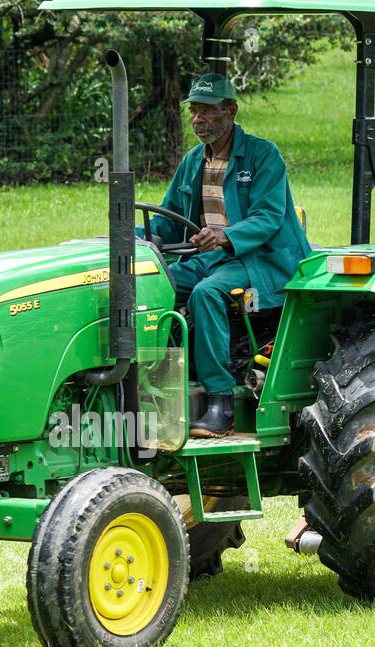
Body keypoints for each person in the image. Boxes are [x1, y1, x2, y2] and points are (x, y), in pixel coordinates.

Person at [140, 73, 312, 438]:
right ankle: (158, 386)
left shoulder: (263, 155)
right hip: (211, 257)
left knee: (207, 293)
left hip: (260, 260)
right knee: (155, 284)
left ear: (230, 110)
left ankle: (221, 403)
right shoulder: (193, 161)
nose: (198, 120)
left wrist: (225, 235)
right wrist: (131, 235)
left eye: (206, 111)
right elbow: (170, 222)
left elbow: (267, 219)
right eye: (194, 112)